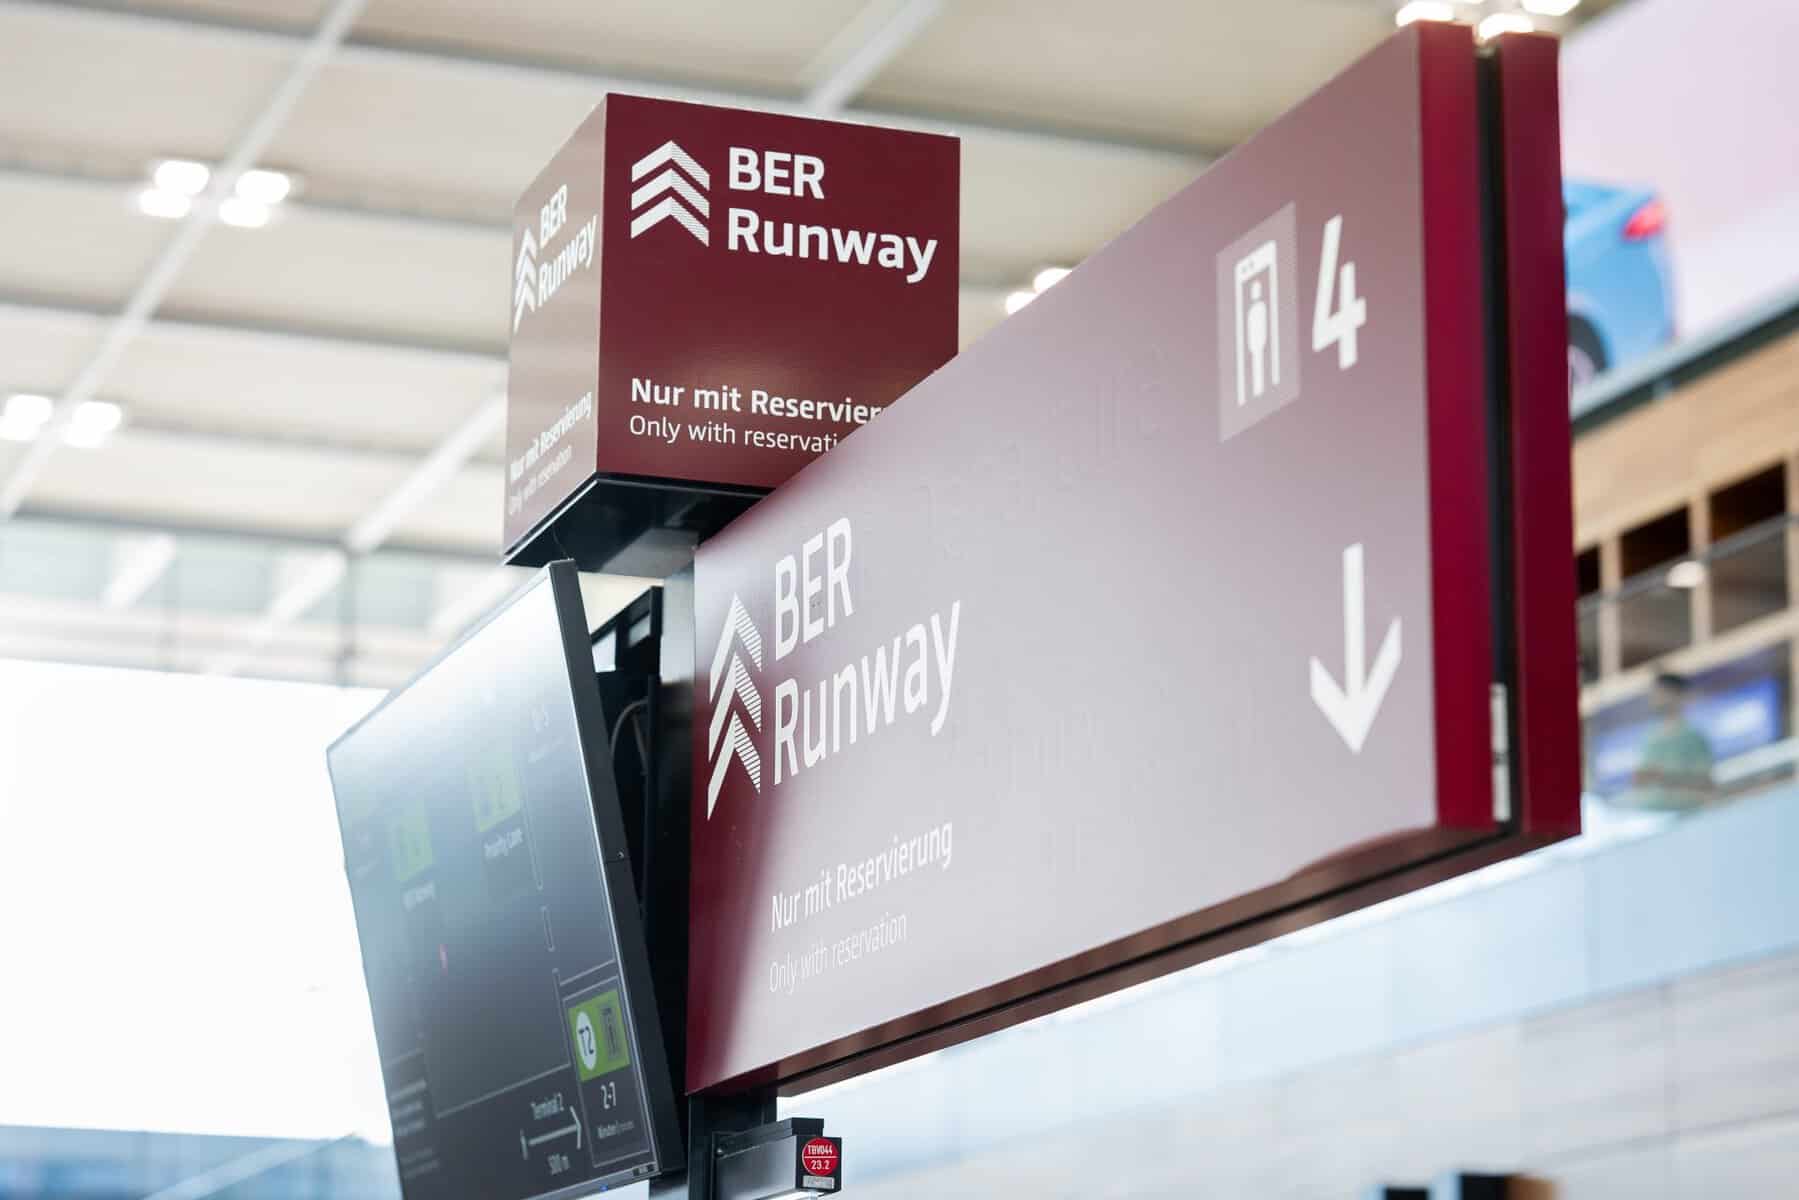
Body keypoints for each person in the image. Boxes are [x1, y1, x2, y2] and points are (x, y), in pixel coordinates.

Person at [1621, 671, 1715, 812]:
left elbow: (1705, 783)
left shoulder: (1692, 736)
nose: (1654, 697)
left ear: (1675, 694)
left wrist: (1663, 778)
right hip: (1653, 817)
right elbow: (1642, 782)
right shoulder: (1649, 738)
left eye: (1659, 692)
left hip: (1687, 815)